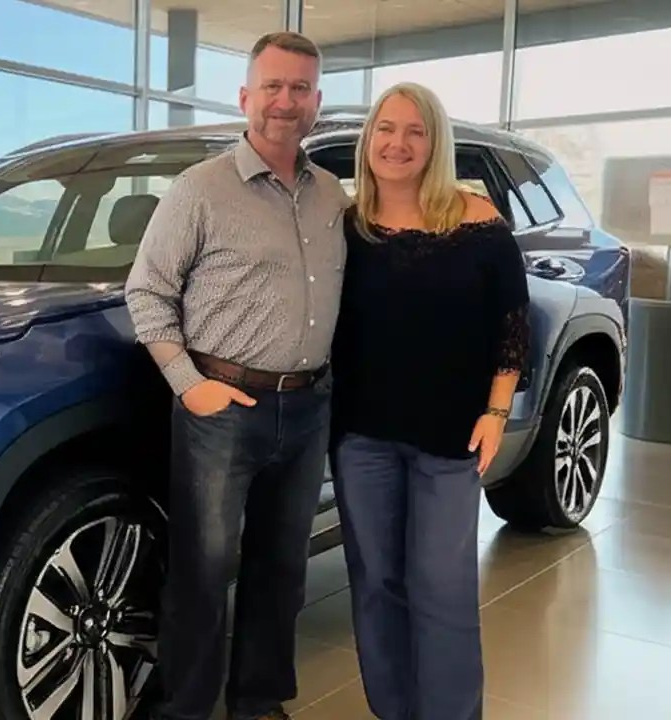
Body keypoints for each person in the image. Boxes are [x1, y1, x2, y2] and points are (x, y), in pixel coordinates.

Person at [125, 31, 350, 720]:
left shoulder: (330, 194)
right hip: (222, 405)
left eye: (301, 88)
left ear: (317, 101)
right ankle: (187, 708)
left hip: (308, 405)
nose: (287, 102)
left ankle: (258, 701)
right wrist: (189, 384)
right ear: (246, 97)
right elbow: (147, 293)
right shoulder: (200, 190)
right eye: (273, 87)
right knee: (204, 571)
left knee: (281, 565)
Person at [328, 81, 531, 720]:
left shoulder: (477, 222)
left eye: (415, 131)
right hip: (362, 436)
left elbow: (512, 324)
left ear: (435, 143)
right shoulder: (346, 225)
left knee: (441, 588)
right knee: (377, 583)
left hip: (451, 436)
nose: (398, 143)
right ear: (369, 140)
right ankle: (393, 709)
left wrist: (497, 412)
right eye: (386, 129)